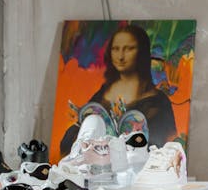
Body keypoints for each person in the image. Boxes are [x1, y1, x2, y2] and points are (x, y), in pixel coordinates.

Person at [59, 24, 177, 155]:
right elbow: (69, 144)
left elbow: (165, 150)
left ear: (142, 51)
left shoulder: (158, 102)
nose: (120, 56)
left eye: (129, 49)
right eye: (115, 49)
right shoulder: (103, 93)